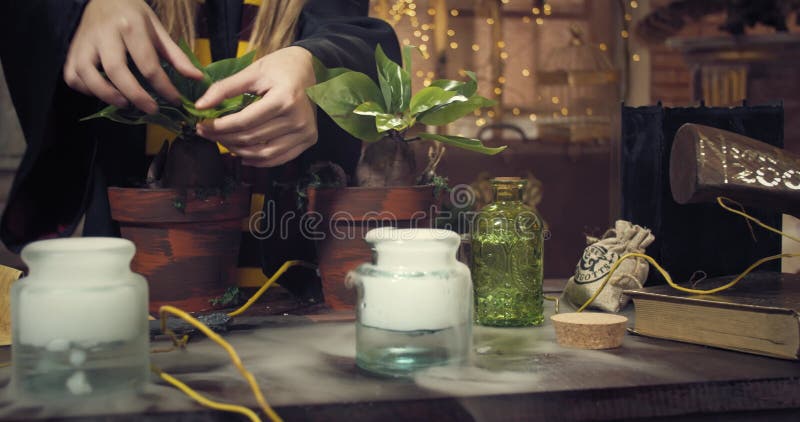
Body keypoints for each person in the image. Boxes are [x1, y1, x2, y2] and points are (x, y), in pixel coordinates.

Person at [0, 0, 399, 298]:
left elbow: (360, 37)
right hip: (142, 287)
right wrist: (82, 8)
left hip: (284, 297)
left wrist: (313, 63)